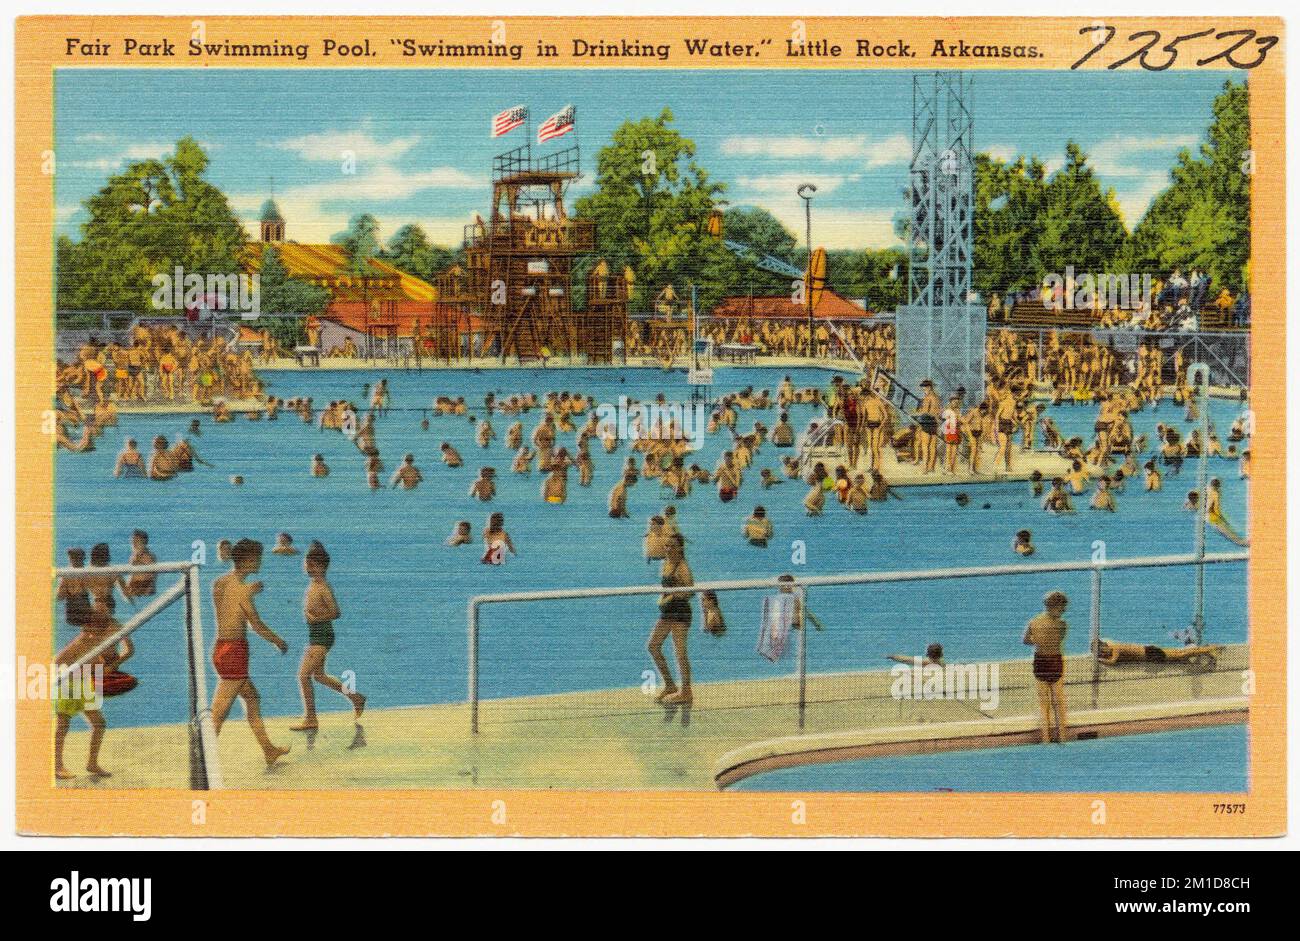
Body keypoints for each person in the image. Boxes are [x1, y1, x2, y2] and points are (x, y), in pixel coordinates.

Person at [209, 539, 290, 768]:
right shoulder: (242, 591)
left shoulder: (220, 583)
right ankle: (204, 757)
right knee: (219, 712)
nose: (261, 562)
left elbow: (226, 600)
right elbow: (256, 625)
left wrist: (248, 589)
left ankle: (269, 750)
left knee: (252, 698)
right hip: (234, 651)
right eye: (258, 558)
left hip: (221, 648)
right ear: (249, 561)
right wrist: (278, 641)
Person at [291, 542, 365, 732]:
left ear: (318, 566)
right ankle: (355, 697)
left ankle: (311, 718)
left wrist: (315, 618)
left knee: (303, 676)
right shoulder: (313, 584)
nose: (305, 567)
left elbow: (336, 612)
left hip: (322, 635)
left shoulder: (323, 587)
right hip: (315, 634)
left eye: (308, 564)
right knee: (319, 676)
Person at [647, 533, 693, 706]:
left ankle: (686, 692)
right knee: (653, 646)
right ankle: (670, 685)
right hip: (668, 612)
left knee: (680, 653)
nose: (668, 549)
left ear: (680, 547)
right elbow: (667, 587)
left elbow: (689, 592)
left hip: (680, 612)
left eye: (672, 546)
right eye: (666, 546)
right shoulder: (666, 563)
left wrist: (670, 596)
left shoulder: (682, 567)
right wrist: (663, 598)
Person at [1023, 590, 1069, 744]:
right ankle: (1061, 736)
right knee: (1059, 703)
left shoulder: (1033, 622)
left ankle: (1046, 738)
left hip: (1041, 661)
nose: (1063, 612)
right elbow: (1058, 640)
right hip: (1055, 661)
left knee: (1044, 705)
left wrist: (1038, 641)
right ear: (1055, 607)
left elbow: (1026, 641)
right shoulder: (1062, 625)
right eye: (1062, 609)